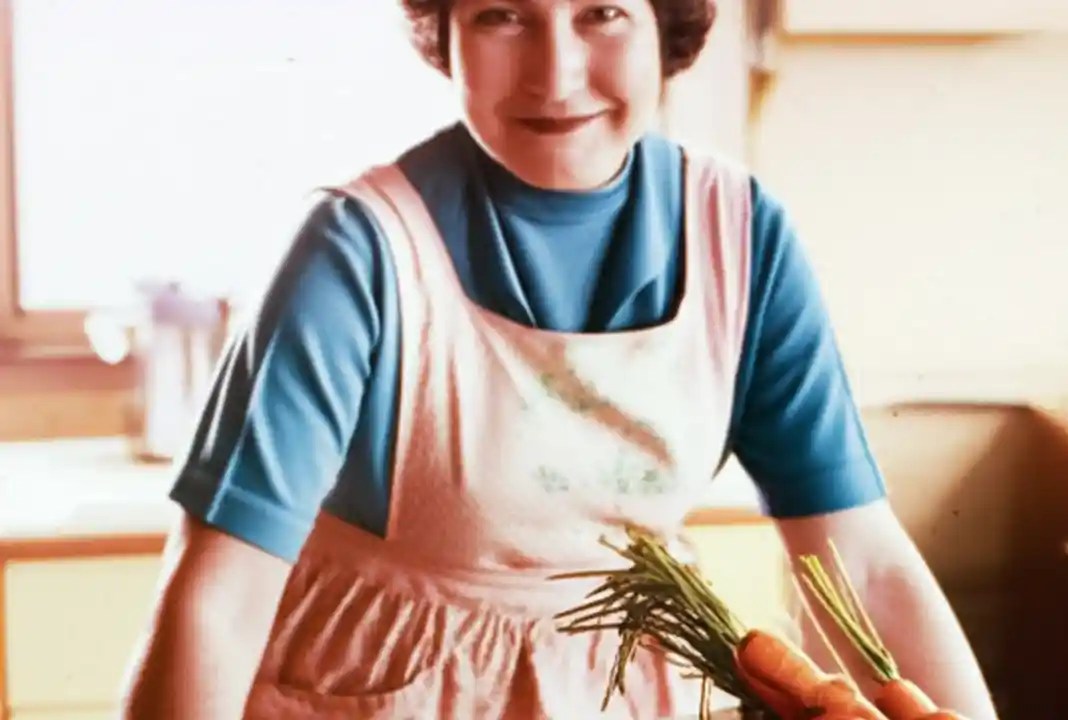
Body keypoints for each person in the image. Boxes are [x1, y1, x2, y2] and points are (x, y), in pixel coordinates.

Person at [120, 0, 999, 718]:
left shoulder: (743, 236)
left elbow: (860, 563)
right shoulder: (359, 250)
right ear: (445, 34)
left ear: (668, 27)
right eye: (503, 16)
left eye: (603, 13)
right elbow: (219, 598)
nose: (556, 74)